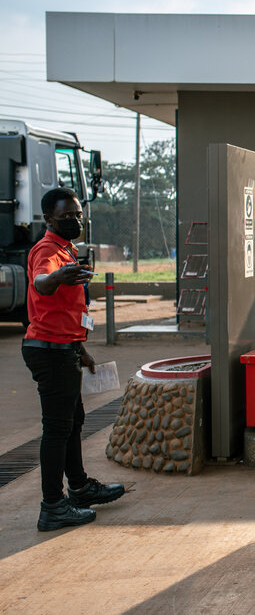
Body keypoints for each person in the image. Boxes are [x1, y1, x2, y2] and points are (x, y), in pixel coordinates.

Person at [23, 188, 126, 531]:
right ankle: (53, 506)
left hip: (63, 348)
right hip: (49, 351)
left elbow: (62, 309)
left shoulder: (66, 249)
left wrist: (80, 349)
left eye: (78, 215)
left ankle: (79, 488)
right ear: (49, 219)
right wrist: (55, 277)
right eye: (66, 216)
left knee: (73, 421)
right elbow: (42, 282)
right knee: (57, 429)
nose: (75, 220)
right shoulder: (47, 251)